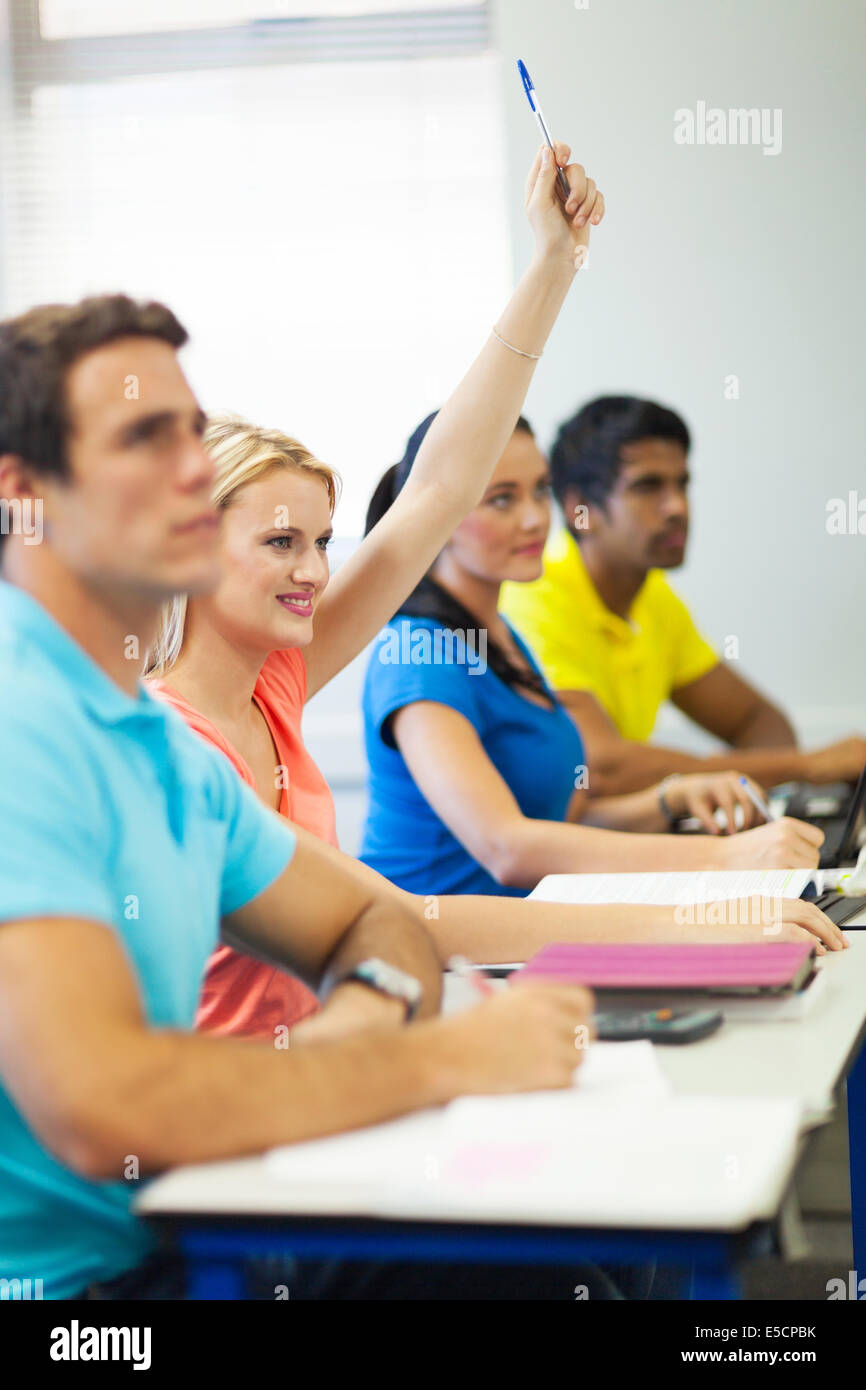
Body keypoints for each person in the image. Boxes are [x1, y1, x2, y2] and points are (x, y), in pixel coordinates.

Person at [0, 290, 604, 1301]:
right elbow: (105, 1110)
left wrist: (364, 1017)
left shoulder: (150, 744)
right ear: (22, 492)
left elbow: (372, 914)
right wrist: (441, 1057)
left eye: (193, 434)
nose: (193, 468)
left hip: (213, 1212)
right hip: (94, 1299)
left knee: (569, 1267)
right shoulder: (23, 726)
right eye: (146, 437)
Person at [359, 414, 832, 896]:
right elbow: (508, 849)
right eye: (502, 499)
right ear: (437, 511)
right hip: (438, 954)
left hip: (518, 938)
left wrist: (667, 799)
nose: (535, 518)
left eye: (540, 490)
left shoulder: (501, 637)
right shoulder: (417, 655)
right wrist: (724, 857)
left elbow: (567, 818)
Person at [500, 396, 866, 796]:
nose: (677, 506)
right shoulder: (532, 599)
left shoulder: (654, 597)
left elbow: (758, 722)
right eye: (648, 486)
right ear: (579, 508)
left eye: (682, 483)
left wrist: (737, 797)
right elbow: (599, 767)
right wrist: (806, 766)